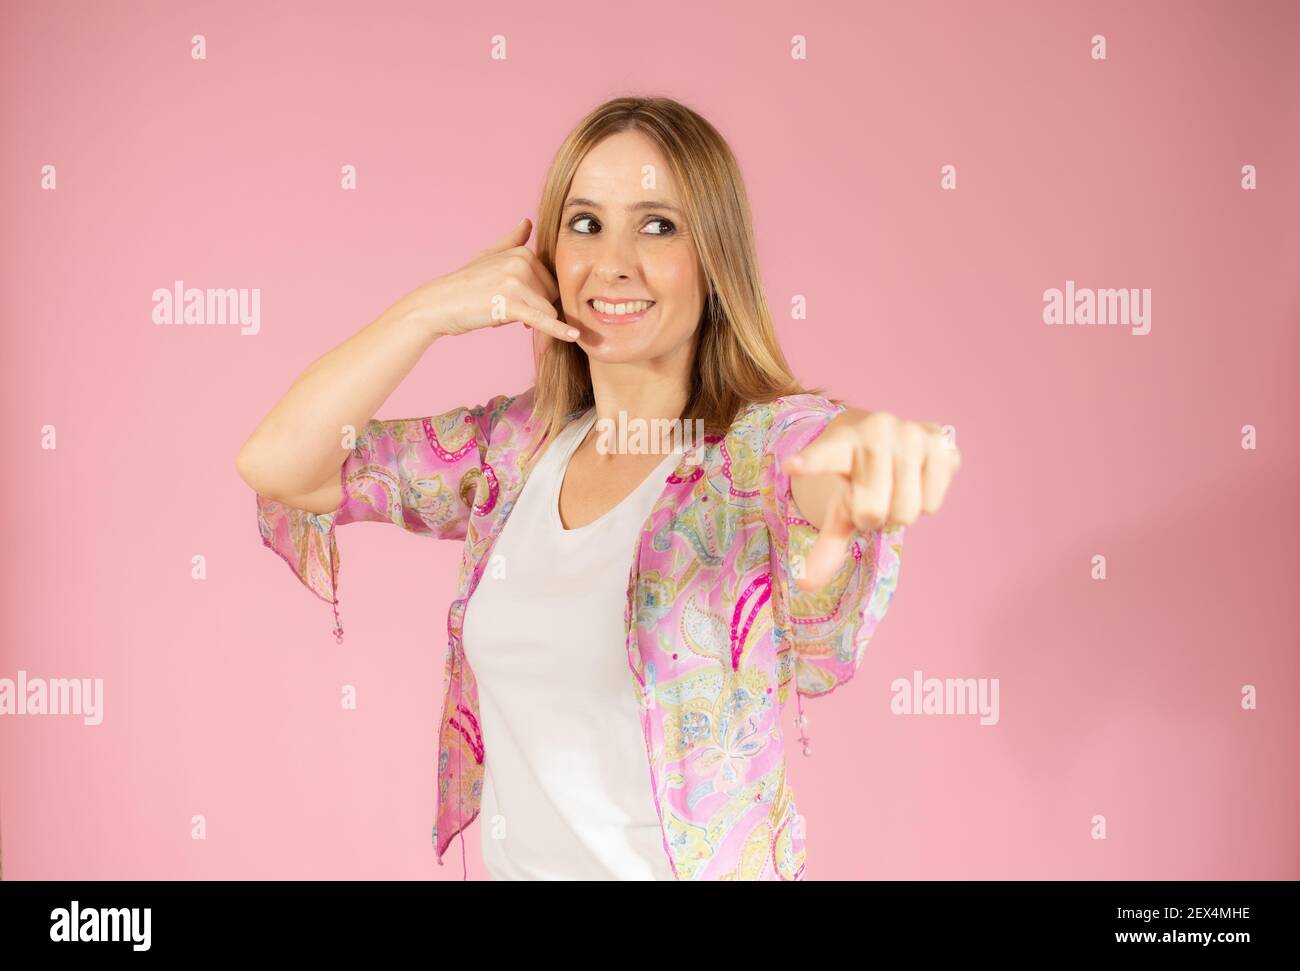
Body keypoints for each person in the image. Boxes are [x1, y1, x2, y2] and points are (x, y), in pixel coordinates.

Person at [236, 95, 960, 881]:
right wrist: (427, 312)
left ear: (715, 260)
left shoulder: (744, 459)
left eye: (657, 225)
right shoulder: (509, 453)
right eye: (586, 224)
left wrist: (868, 451)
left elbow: (822, 451)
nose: (613, 261)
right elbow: (281, 463)